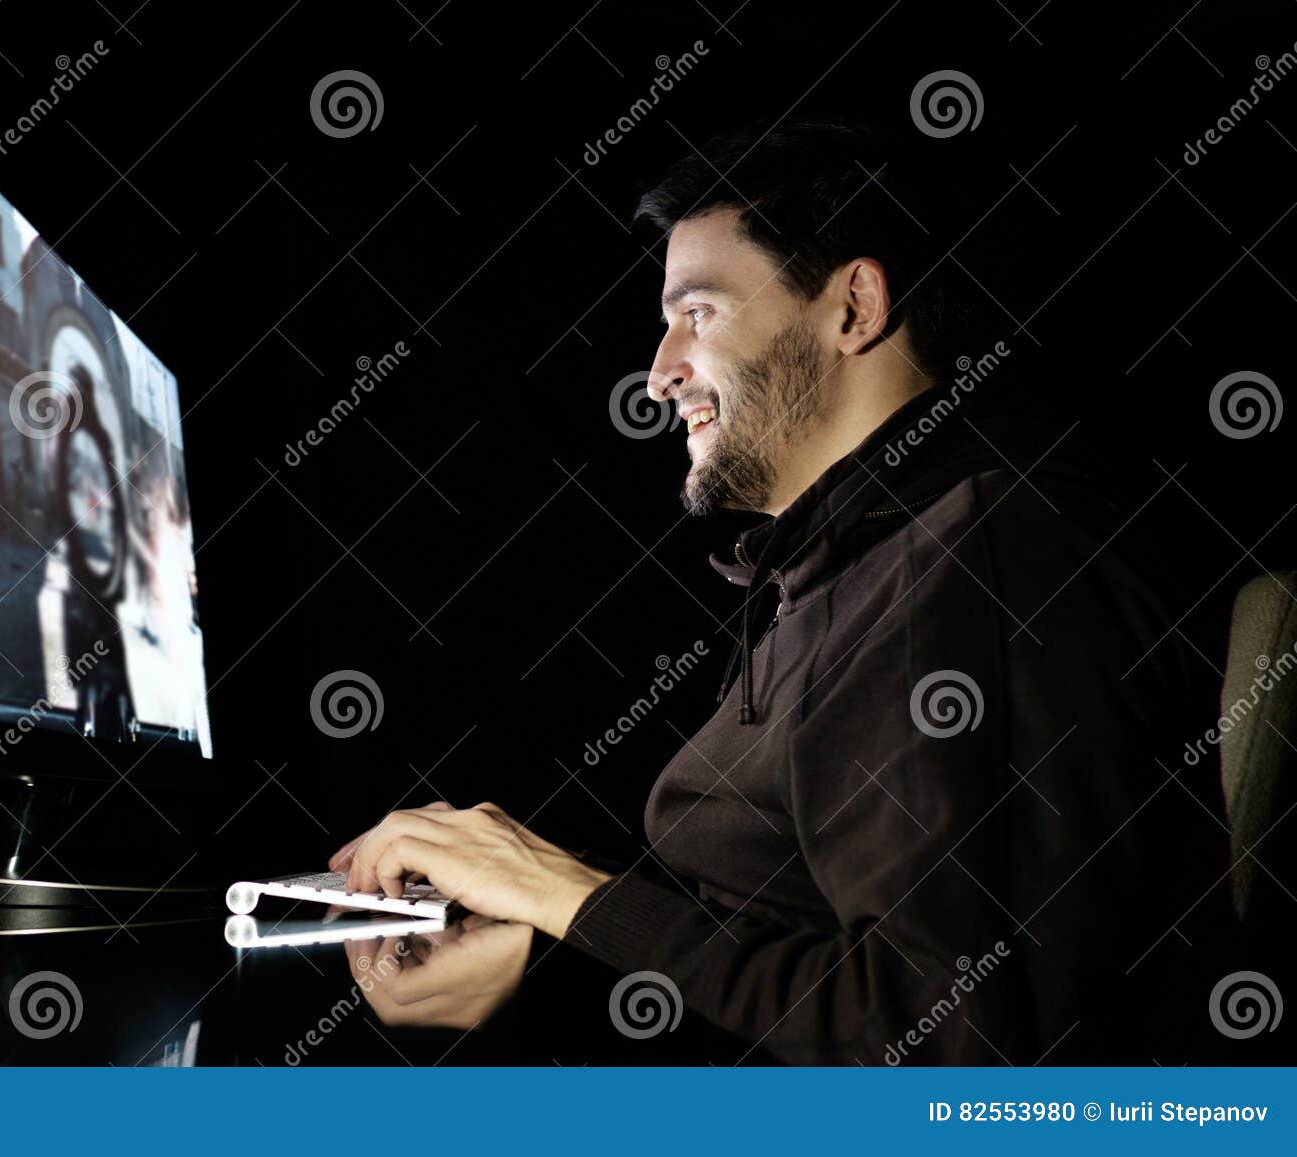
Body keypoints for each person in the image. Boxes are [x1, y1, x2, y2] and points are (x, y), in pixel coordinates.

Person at [334, 121, 1238, 1064]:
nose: (659, 374)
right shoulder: (842, 566)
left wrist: (565, 893)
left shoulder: (987, 558)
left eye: (700, 313)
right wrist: (532, 949)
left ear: (853, 307)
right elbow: (777, 960)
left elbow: (959, 1048)